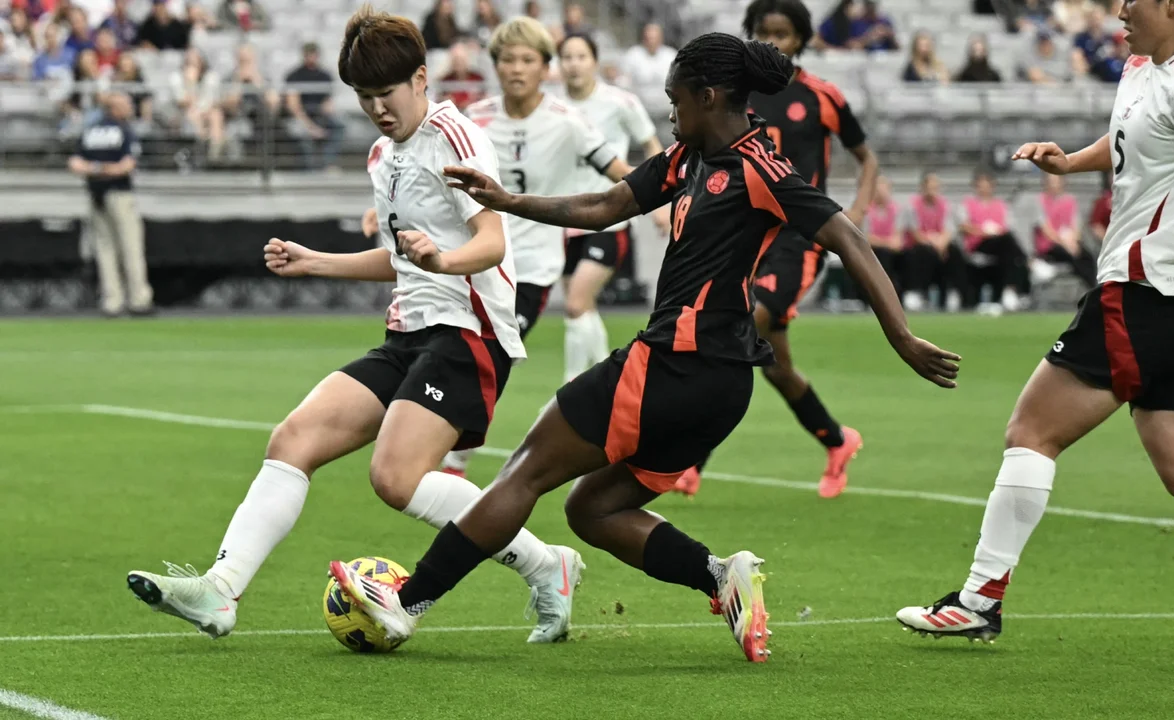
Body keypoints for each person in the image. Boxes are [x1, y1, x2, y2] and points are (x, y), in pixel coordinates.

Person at [330, 32, 960, 662]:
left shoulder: (760, 169)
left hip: (675, 366)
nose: (668, 112)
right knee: (592, 509)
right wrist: (507, 200)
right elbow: (606, 206)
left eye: (674, 99)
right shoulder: (688, 156)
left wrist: (901, 336)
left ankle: (407, 602)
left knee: (526, 471)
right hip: (716, 387)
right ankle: (721, 578)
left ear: (708, 96)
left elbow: (848, 236)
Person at [125, 6, 583, 646]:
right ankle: (220, 590)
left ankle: (545, 564)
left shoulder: (456, 138)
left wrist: (442, 260)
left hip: (467, 333)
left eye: (385, 93)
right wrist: (317, 263)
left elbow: (492, 242)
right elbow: (399, 260)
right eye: (364, 98)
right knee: (293, 440)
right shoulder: (382, 154)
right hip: (408, 334)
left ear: (421, 78)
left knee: (395, 478)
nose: (376, 108)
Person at [897, 0, 1174, 643]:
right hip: (1172, 297)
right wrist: (1071, 162)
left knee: (1031, 431)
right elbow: (1134, 142)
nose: (1122, 7)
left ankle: (978, 601)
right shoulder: (1141, 66)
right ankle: (978, 602)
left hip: (1143, 292)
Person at [673, 0, 881, 498]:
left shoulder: (822, 96)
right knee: (774, 366)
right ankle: (836, 439)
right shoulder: (736, 98)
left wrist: (855, 213)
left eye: (783, 34)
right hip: (745, 235)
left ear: (801, 38)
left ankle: (690, 459)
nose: (775, 42)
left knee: (743, 323)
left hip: (798, 237)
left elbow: (866, 156)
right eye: (764, 33)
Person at [441, 18, 629, 478]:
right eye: (508, 59)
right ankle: (446, 450)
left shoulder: (568, 123)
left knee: (495, 354)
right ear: (496, 66)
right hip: (476, 261)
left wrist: (673, 197)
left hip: (532, 269)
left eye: (528, 60)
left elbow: (619, 171)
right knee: (455, 350)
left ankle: (454, 459)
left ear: (546, 68)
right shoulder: (476, 119)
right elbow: (433, 174)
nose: (516, 69)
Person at [557, 33, 665, 384]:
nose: (573, 63)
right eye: (567, 57)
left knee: (575, 303)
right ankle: (607, 375)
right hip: (564, 220)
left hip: (608, 218)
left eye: (580, 56)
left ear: (594, 61)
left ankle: (572, 382)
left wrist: (662, 201)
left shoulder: (619, 102)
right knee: (582, 308)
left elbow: (652, 144)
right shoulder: (552, 106)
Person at [69, 92, 152, 317]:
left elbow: (75, 162)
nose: (129, 108)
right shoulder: (124, 130)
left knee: (105, 249)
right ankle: (138, 300)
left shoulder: (91, 130)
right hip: (120, 193)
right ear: (115, 108)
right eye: (125, 104)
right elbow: (128, 165)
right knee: (131, 247)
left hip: (96, 193)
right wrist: (108, 170)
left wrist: (94, 170)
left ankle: (112, 302)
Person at [959, 169, 1027, 312]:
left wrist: (996, 232)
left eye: (987, 184)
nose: (984, 188)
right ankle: (1023, 273)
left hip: (999, 248)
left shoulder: (1001, 206)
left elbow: (1007, 228)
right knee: (1011, 247)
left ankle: (1008, 291)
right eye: (980, 185)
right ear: (975, 186)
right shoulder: (967, 204)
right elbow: (964, 227)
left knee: (1008, 248)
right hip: (978, 246)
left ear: (993, 186)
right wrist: (984, 232)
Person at [902, 171, 965, 311]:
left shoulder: (945, 205)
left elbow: (948, 230)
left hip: (939, 244)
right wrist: (934, 243)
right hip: (919, 245)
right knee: (923, 253)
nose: (932, 191)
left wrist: (941, 243)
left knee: (955, 252)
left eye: (935, 188)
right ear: (922, 188)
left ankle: (953, 291)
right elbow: (915, 233)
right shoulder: (912, 205)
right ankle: (916, 291)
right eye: (929, 187)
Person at [284, 42, 345, 171]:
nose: (311, 57)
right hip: (301, 117)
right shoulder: (294, 76)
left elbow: (327, 103)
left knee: (339, 126)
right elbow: (293, 106)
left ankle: (327, 163)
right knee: (301, 133)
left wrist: (321, 122)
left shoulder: (325, 75)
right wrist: (310, 127)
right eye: (308, 54)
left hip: (319, 115)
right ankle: (309, 169)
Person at [1034, 172, 1095, 284]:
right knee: (1074, 259)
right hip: (1050, 246)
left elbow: (1076, 226)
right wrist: (1065, 244)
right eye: (1050, 181)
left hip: (1070, 243)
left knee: (1088, 257)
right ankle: (1092, 289)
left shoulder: (1070, 200)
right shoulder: (1040, 201)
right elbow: (1046, 230)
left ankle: (1096, 289)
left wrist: (1073, 242)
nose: (1054, 185)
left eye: (1056, 181)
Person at [621, 22, 677, 117]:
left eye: (654, 38)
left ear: (661, 39)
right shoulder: (632, 55)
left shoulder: (671, 55)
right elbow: (623, 81)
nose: (651, 42)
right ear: (643, 38)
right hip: (641, 111)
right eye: (648, 38)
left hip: (666, 111)